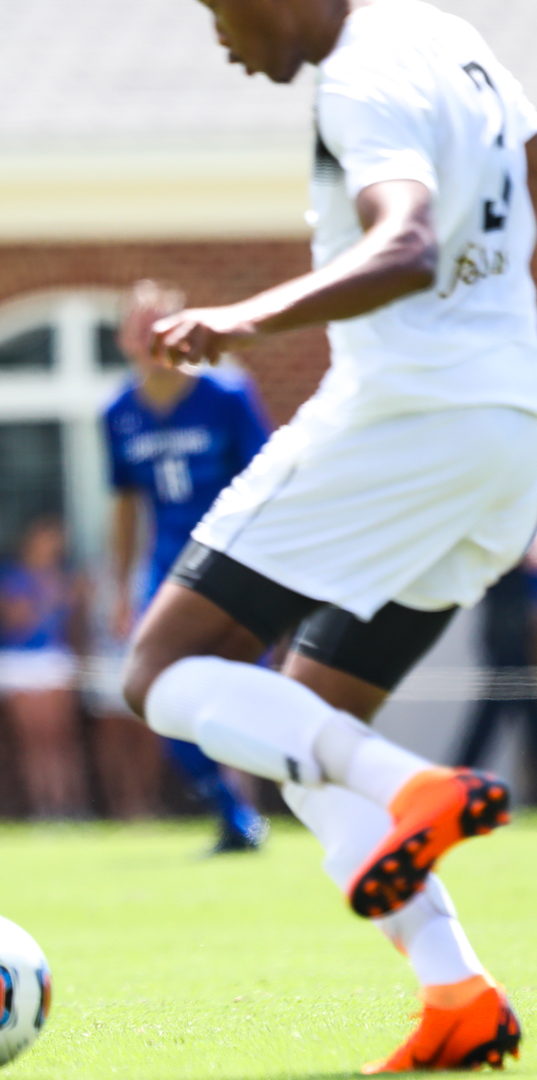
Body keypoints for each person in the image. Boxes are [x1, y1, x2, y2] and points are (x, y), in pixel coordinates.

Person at [124, 0, 537, 1069]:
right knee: (300, 725)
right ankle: (459, 999)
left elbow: (404, 244)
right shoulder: (453, 39)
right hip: (507, 427)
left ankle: (415, 788)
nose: (220, 38)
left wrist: (243, 319)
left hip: (406, 416)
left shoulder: (357, 79)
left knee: (161, 667)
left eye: (221, 10)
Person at [104, 279, 273, 851]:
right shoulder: (119, 412)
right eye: (140, 328)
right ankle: (233, 811)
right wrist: (123, 585)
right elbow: (126, 503)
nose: (151, 340)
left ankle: (262, 807)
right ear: (125, 337)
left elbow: (267, 481)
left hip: (234, 565)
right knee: (152, 693)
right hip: (168, 572)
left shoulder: (226, 395)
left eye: (161, 326)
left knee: (245, 696)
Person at [0, 516, 91, 819]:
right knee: (34, 743)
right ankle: (45, 809)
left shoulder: (64, 575)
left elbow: (74, 627)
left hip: (56, 661)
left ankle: (72, 807)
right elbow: (14, 622)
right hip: (20, 663)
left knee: (63, 740)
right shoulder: (11, 576)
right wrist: (53, 596)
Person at [453, 560, 537, 780]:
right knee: (502, 707)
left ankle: (459, 778)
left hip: (516, 621)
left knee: (497, 709)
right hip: (510, 624)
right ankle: (460, 778)